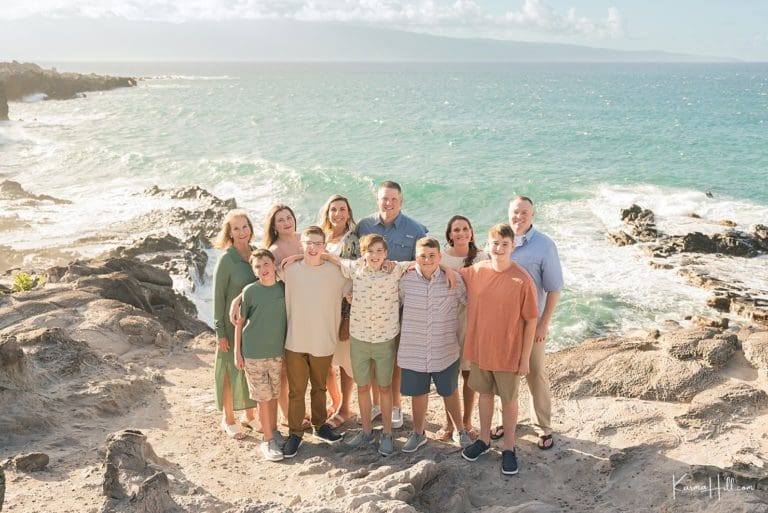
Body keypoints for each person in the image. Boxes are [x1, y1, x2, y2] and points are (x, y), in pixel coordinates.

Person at [316, 234, 411, 456]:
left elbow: (423, 262)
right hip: (359, 338)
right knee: (363, 386)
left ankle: (387, 434)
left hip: (385, 339)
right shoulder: (356, 268)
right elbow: (333, 259)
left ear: (386, 253)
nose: (375, 255)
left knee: (385, 387)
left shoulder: (395, 269)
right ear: (363, 253)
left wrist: (445, 270)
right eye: (370, 251)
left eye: (380, 251)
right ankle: (367, 431)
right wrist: (300, 256)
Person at [459, 224, 538, 476]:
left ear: (513, 246)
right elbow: (452, 272)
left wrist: (525, 359)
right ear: (487, 245)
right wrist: (408, 265)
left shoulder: (522, 279)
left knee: (509, 401)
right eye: (495, 243)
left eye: (505, 244)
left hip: (509, 353)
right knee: (484, 395)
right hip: (482, 350)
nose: (499, 248)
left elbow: (531, 321)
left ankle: (508, 449)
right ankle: (483, 440)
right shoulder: (478, 271)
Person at [491, 197, 564, 451]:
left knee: (535, 373)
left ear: (532, 216)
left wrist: (544, 324)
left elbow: (554, 289)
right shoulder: (500, 241)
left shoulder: (544, 246)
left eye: (524, 213)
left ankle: (543, 426)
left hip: (531, 324)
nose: (518, 217)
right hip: (502, 324)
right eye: (514, 212)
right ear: (508, 213)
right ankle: (502, 420)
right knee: (503, 373)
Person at [357, 180, 428, 429]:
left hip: (400, 305)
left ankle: (395, 406)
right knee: (373, 353)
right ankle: (377, 404)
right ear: (377, 200)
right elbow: (349, 259)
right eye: (384, 198)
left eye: (393, 199)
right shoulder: (363, 226)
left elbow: (425, 262)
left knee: (393, 357)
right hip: (369, 305)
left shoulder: (416, 229)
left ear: (401, 201)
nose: (388, 203)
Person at [280, 226, 351, 458]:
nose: (312, 248)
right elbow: (265, 277)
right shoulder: (290, 270)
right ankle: (295, 433)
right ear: (301, 244)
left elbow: (356, 275)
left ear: (325, 246)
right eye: (308, 243)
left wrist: (331, 258)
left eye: (317, 244)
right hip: (295, 340)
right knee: (296, 391)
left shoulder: (336, 273)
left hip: (324, 339)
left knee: (320, 388)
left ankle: (320, 426)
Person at [398, 237, 471, 453]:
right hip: (414, 347)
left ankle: (460, 430)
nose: (428, 259)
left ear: (440, 257)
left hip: (444, 348)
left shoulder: (454, 279)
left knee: (449, 391)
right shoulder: (405, 280)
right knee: (418, 393)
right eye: (422, 256)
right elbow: (396, 301)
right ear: (415, 258)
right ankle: (418, 433)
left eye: (432, 256)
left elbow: (469, 301)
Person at [435, 215, 488, 443]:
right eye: (456, 229)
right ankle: (450, 422)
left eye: (465, 229)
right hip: (445, 320)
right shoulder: (441, 258)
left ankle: (467, 421)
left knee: (468, 374)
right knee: (448, 375)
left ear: (471, 232)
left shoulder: (482, 257)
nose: (461, 233)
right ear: (449, 234)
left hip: (471, 321)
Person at [234, 249, 287, 461]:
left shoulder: (284, 288)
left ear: (274, 264)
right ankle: (267, 441)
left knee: (273, 394)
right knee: (262, 397)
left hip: (277, 352)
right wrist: (237, 353)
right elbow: (239, 324)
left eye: (266, 264)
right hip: (254, 353)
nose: (263, 269)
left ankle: (273, 431)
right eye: (257, 266)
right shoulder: (250, 291)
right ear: (253, 270)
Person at [212, 210, 258, 439]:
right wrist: (220, 332)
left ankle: (250, 415)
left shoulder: (257, 252)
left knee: (249, 369)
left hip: (253, 325)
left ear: (250, 228)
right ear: (229, 233)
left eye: (245, 227)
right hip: (231, 326)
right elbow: (218, 297)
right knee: (230, 371)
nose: (242, 232)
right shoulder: (226, 259)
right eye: (236, 228)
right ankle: (228, 419)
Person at [317, 194, 359, 428]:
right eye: (334, 209)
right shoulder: (319, 237)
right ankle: (335, 401)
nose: (338, 214)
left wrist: (349, 310)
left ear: (349, 213)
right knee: (323, 359)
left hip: (343, 305)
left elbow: (353, 272)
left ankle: (345, 408)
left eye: (342, 209)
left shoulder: (352, 239)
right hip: (322, 305)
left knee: (344, 360)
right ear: (327, 212)